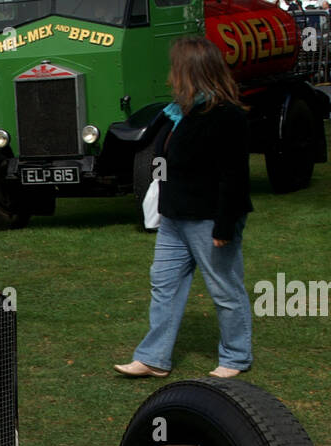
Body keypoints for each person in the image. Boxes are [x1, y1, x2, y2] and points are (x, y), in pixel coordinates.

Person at [115, 35, 254, 379]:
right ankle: (153, 358)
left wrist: (224, 225)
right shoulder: (177, 113)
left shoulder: (226, 116)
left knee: (224, 289)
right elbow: (165, 162)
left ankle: (236, 357)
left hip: (210, 219)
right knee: (164, 285)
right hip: (175, 219)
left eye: (175, 68)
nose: (169, 76)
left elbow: (234, 176)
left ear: (191, 71)